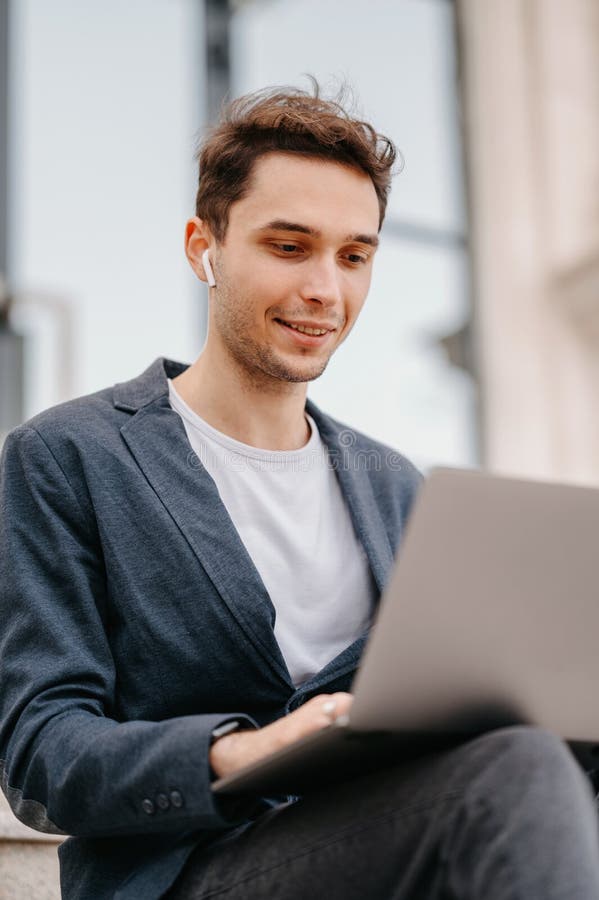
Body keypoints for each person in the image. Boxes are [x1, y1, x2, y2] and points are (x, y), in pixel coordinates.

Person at [1, 83, 599, 900]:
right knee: (517, 770)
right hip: (189, 874)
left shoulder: (394, 486)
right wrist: (243, 751)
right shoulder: (69, 456)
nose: (327, 289)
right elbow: (42, 750)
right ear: (200, 247)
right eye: (289, 247)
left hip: (385, 841)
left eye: (354, 256)